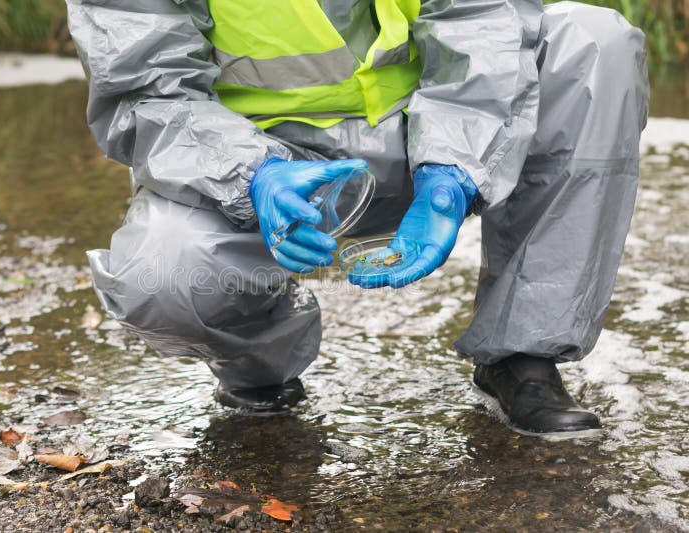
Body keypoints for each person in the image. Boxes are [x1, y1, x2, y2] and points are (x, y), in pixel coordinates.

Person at [66, 0, 648, 434]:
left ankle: (524, 354)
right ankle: (257, 360)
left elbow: (483, 21)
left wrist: (452, 168)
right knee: (163, 278)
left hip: (425, 138)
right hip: (268, 166)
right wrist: (253, 176)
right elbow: (146, 89)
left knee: (595, 42)